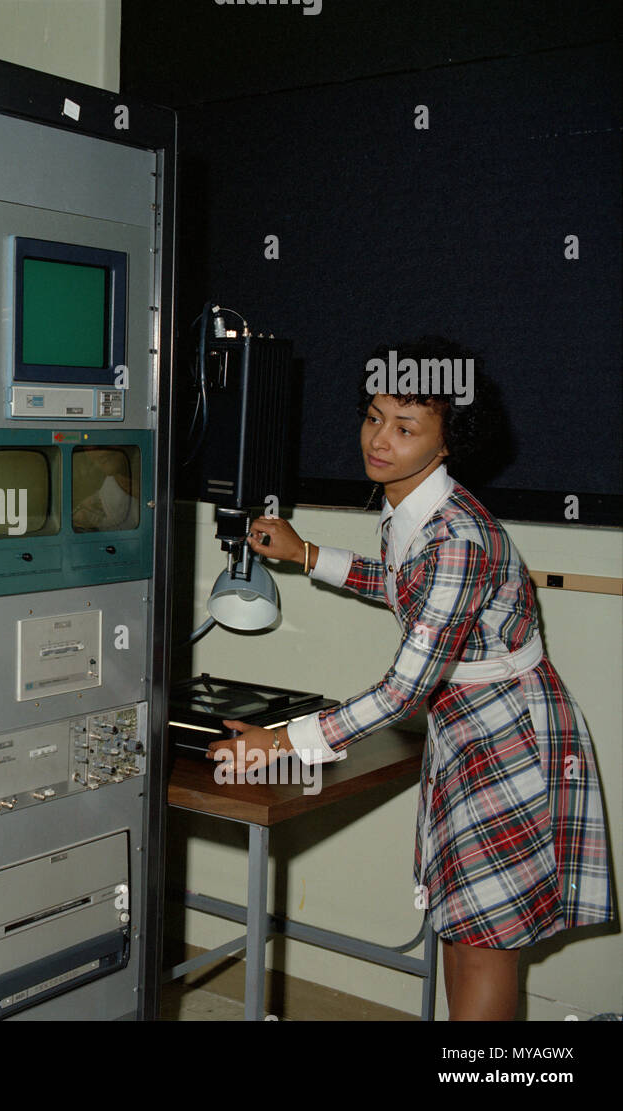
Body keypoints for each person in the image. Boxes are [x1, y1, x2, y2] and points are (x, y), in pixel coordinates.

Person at [207, 341, 615, 1021]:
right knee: (462, 927)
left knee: (485, 943)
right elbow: (410, 589)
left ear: (449, 439)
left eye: (405, 427)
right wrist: (309, 553)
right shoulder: (414, 508)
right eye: (374, 417)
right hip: (470, 728)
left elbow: (402, 691)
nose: (379, 440)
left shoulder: (456, 536)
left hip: (509, 739)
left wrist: (280, 741)